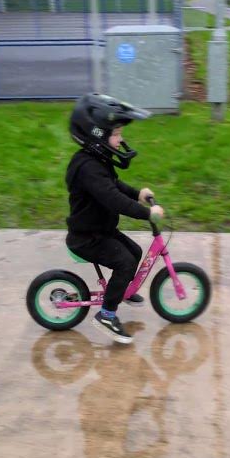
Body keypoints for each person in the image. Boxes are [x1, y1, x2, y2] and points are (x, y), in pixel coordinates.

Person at [65, 93, 165, 344]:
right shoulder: (87, 168)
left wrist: (138, 194)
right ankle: (107, 315)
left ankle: (120, 290)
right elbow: (113, 199)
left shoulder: (97, 161)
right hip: (86, 237)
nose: (121, 141)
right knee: (125, 263)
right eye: (117, 134)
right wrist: (147, 213)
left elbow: (115, 185)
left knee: (133, 251)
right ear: (97, 135)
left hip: (101, 230)